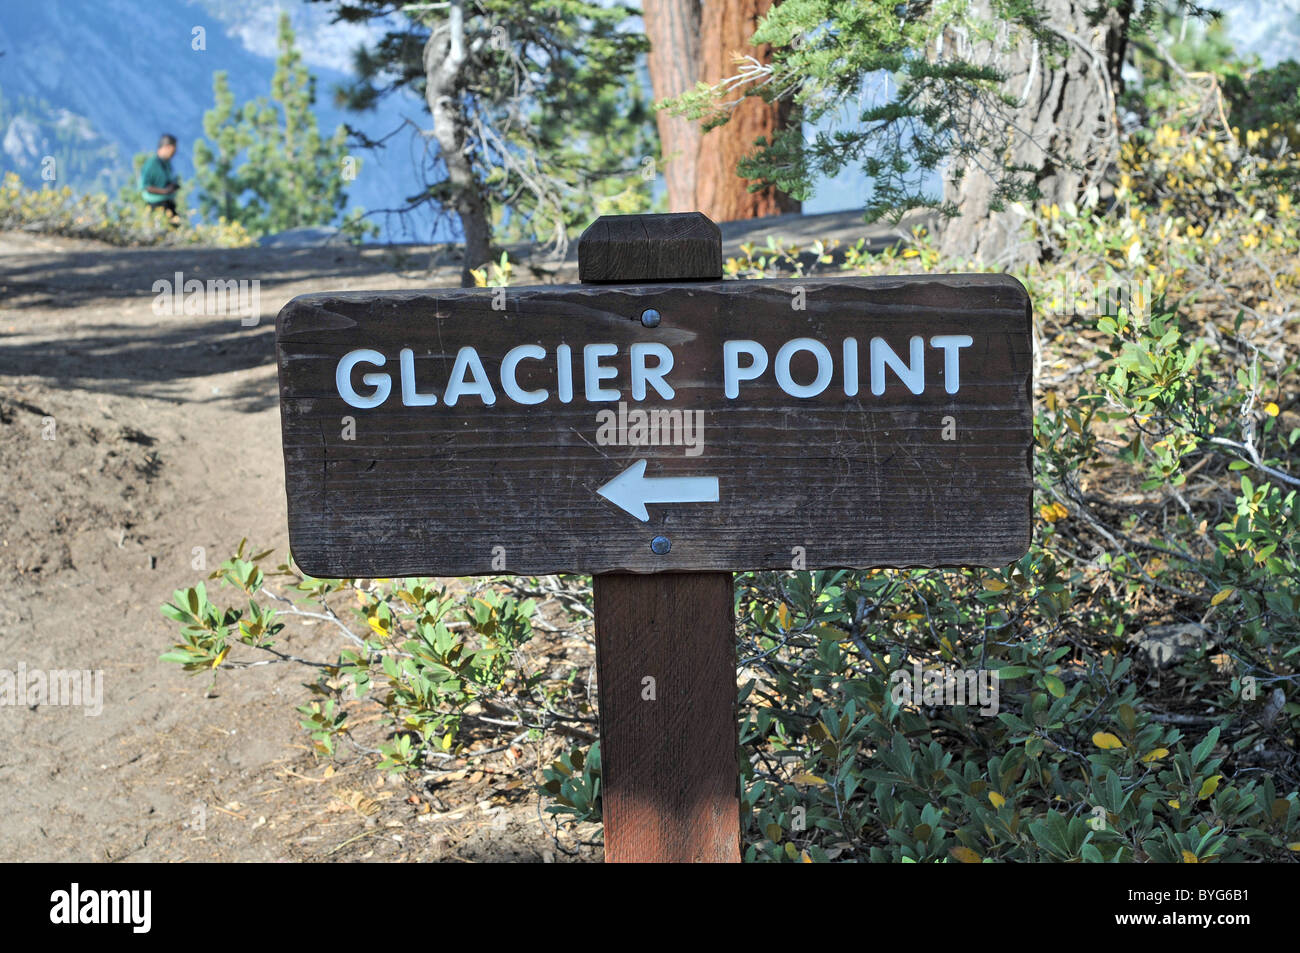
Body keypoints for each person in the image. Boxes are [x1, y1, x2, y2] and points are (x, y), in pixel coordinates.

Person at [140, 134, 181, 224]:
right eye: (173, 149)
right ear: (166, 147)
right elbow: (145, 186)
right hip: (155, 205)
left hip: (169, 204)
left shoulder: (167, 164)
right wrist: (165, 191)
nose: (175, 152)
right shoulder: (151, 164)